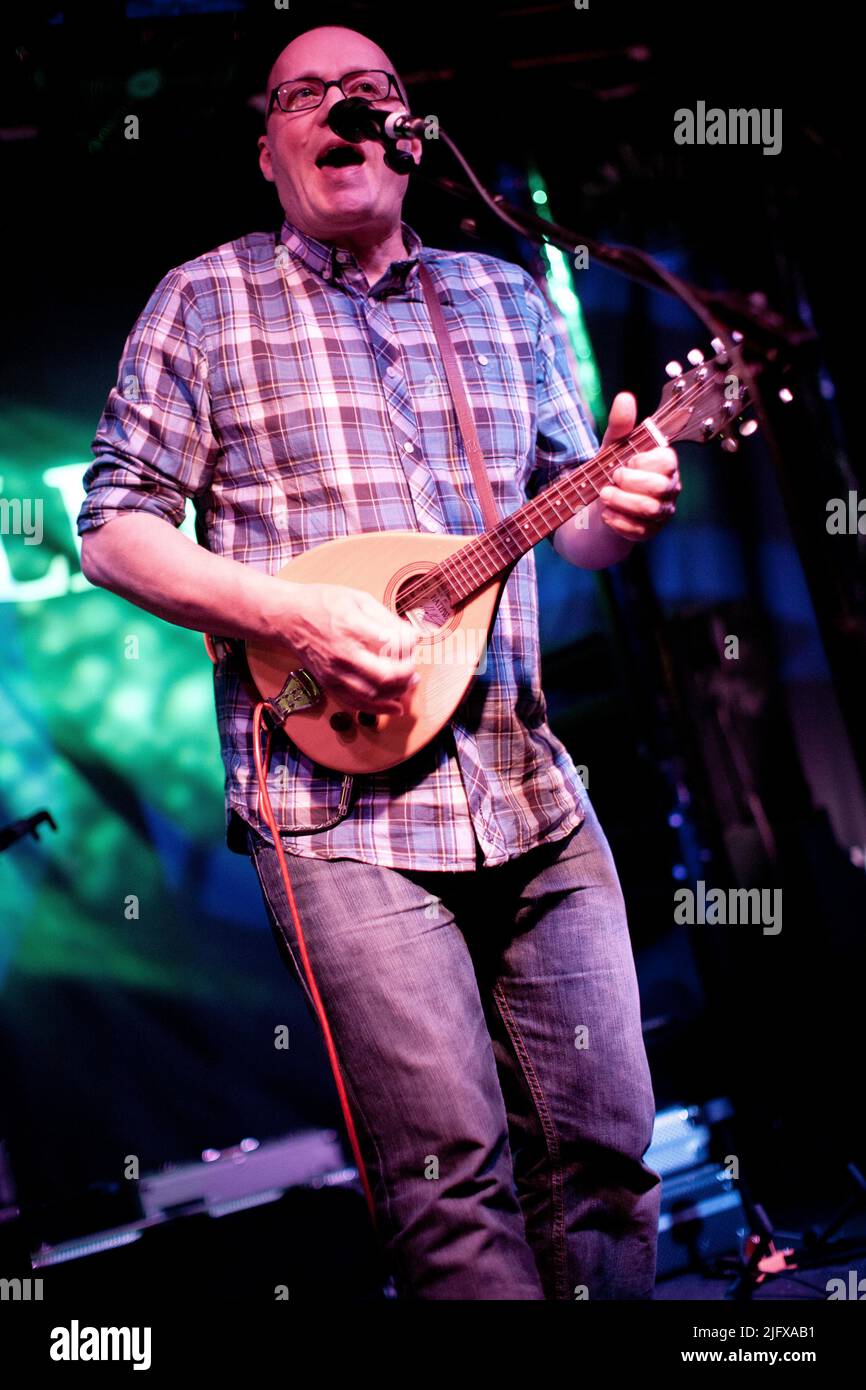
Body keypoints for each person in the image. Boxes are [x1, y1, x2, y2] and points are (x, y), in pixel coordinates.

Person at [78, 24, 683, 1300]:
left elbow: (565, 521)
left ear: (410, 136)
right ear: (268, 147)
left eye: (372, 94)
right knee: (446, 1184)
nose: (342, 112)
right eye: (307, 96)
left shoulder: (503, 293)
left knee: (610, 1156)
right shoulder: (207, 299)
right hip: (334, 812)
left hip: (525, 779)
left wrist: (616, 514)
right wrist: (290, 619)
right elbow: (113, 531)